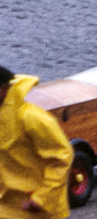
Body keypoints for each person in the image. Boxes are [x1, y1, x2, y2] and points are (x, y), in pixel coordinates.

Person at [0, 66, 74, 217]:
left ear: (3, 89)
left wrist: (42, 199)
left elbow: (61, 158)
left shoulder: (31, 117)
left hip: (35, 209)